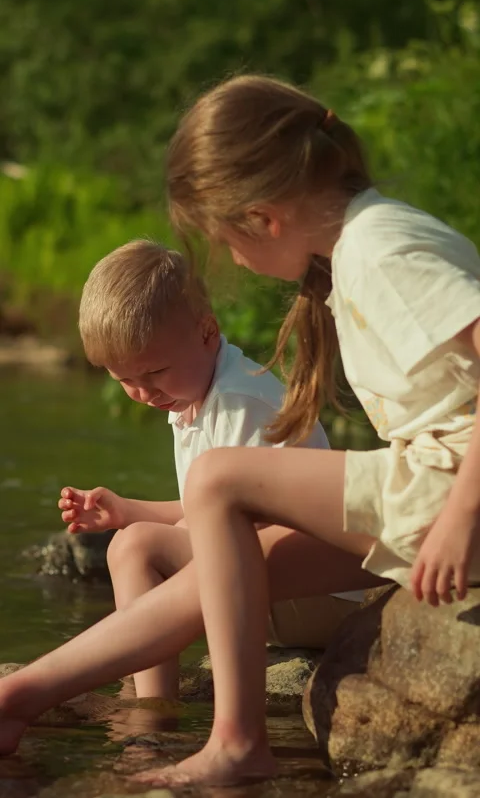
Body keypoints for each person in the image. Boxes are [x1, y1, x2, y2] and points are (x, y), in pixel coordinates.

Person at [3, 73, 478, 787]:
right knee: (233, 571)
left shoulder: (381, 248)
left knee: (219, 475)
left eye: (221, 239)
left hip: (449, 489)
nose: (228, 261)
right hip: (427, 480)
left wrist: (461, 515)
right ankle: (23, 694)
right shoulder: (357, 251)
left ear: (262, 216)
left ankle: (236, 739)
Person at [57, 239, 363, 701]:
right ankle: (145, 680)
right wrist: (126, 510)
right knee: (133, 535)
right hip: (270, 582)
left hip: (320, 595)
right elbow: (209, 508)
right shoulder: (188, 395)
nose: (143, 393)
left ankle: (152, 708)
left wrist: (149, 531)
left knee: (136, 549)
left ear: (207, 333)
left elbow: (258, 517)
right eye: (125, 381)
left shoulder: (241, 401)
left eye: (154, 372)